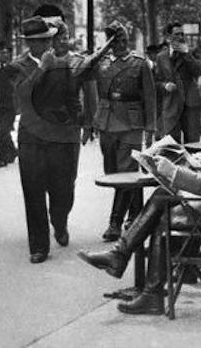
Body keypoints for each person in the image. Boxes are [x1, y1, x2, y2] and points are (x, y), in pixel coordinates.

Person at [77, 83, 201, 315]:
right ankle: (122, 258)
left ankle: (146, 287)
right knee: (165, 197)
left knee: (164, 212)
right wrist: (198, 168)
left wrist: (173, 171)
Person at [76, 21, 156, 243]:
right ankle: (136, 213)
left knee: (126, 171)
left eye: (123, 39)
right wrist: (103, 49)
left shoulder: (140, 63)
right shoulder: (100, 62)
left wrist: (150, 128)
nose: (121, 44)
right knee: (113, 172)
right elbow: (80, 73)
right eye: (115, 40)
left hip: (131, 123)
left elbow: (149, 96)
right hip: (106, 121)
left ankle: (115, 223)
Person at [9, 17, 80, 263]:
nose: (49, 43)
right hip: (31, 136)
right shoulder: (17, 66)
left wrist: (77, 123)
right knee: (33, 191)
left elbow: (72, 99)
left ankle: (59, 222)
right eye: (42, 40)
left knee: (63, 189)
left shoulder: (63, 65)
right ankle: (39, 246)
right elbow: (21, 95)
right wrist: (42, 69)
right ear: (30, 43)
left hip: (60, 136)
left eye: (49, 38)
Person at [154, 22, 201, 143]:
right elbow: (156, 81)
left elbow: (198, 71)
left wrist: (187, 54)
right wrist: (165, 85)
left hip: (191, 103)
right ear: (169, 37)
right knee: (171, 144)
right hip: (171, 104)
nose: (181, 37)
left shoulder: (191, 52)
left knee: (193, 143)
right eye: (177, 34)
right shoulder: (161, 57)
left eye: (182, 34)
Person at [0, 41, 18, 168]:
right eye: (2, 52)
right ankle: (13, 151)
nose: (5, 55)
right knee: (1, 131)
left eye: (7, 52)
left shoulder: (13, 68)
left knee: (3, 130)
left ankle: (1, 158)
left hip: (9, 106)